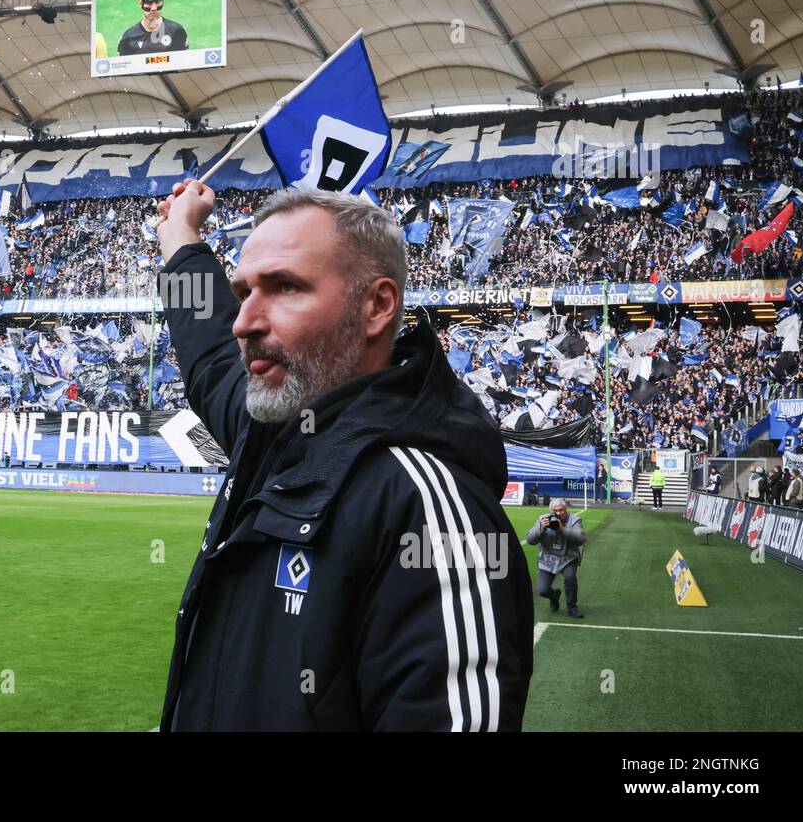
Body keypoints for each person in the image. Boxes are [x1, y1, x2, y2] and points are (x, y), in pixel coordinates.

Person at [152, 179, 533, 731]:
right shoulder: (272, 435)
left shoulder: (425, 508)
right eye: (242, 294)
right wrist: (181, 238)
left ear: (376, 305)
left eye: (284, 287)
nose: (244, 323)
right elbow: (210, 355)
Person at [525, 499, 587, 619]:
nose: (558, 513)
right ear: (550, 511)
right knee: (542, 590)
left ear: (566, 509)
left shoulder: (574, 520)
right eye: (555, 511)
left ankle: (572, 607)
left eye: (561, 510)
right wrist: (540, 529)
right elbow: (529, 540)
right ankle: (554, 597)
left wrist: (562, 529)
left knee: (570, 578)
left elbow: (581, 538)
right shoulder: (543, 519)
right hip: (548, 558)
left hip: (568, 557)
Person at [116, 0, 188, 56]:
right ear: (140, 3)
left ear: (163, 2)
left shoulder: (177, 31)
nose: (154, 8)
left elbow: (184, 63)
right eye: (149, 3)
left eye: (157, 2)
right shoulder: (128, 38)